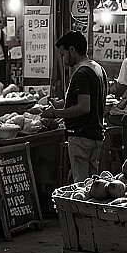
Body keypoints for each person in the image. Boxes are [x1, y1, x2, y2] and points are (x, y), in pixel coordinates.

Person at [44, 31, 107, 182]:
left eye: (63, 53)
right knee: (94, 186)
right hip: (96, 135)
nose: (63, 58)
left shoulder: (81, 73)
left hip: (81, 137)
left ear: (72, 50)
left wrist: (55, 113)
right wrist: (62, 104)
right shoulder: (98, 69)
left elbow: (84, 107)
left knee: (82, 186)